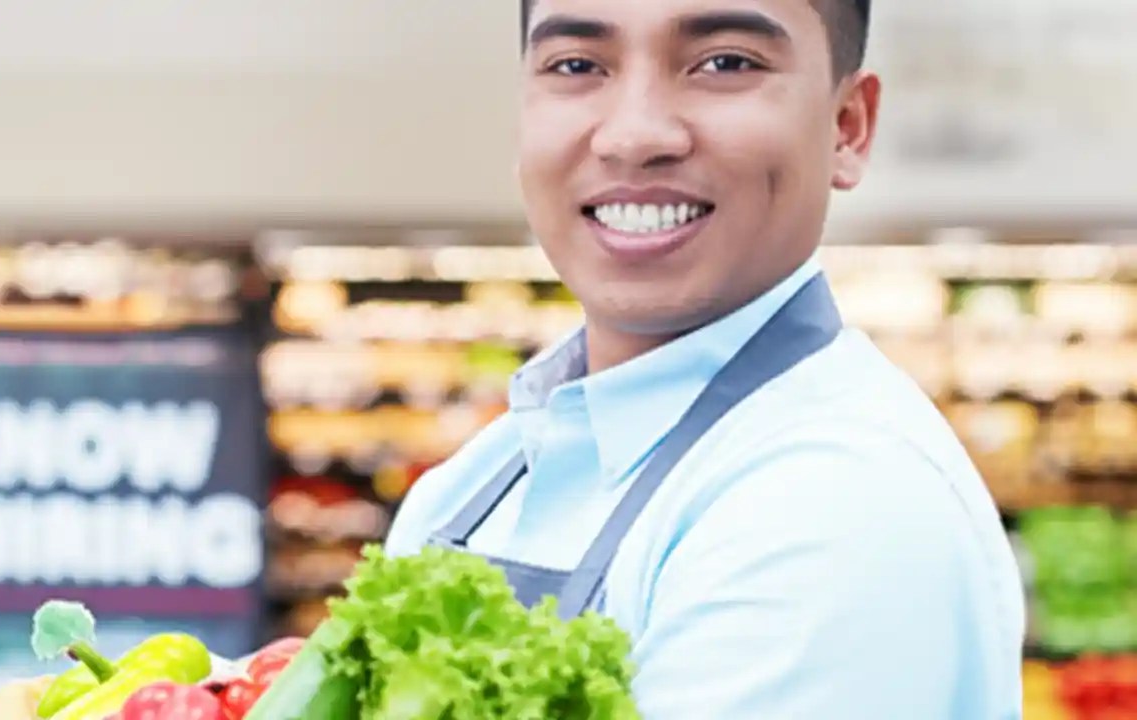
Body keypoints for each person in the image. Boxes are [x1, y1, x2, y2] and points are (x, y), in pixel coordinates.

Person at [384, 0, 1025, 718]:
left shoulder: (838, 500)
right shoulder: (476, 482)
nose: (634, 136)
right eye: (577, 66)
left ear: (848, 126)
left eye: (725, 63)